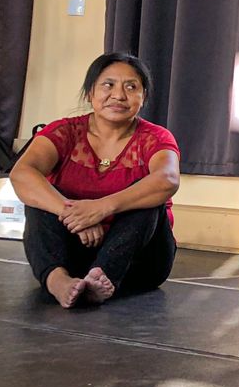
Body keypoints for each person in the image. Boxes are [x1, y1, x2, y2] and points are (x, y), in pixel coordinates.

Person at [10, 52, 181, 307]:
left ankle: (103, 277)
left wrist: (101, 208)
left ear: (143, 97)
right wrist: (74, 215)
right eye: (108, 85)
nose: (119, 95)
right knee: (40, 197)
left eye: (131, 87)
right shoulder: (64, 131)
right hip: (74, 251)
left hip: (139, 260)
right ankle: (57, 281)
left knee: (148, 199)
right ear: (90, 93)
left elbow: (167, 178)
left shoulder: (156, 137)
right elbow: (21, 174)